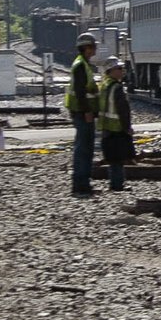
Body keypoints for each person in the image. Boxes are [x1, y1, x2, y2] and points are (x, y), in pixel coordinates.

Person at [67, 32, 103, 199]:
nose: (95, 48)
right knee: (83, 150)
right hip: (82, 113)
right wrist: (87, 111)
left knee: (86, 149)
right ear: (87, 48)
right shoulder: (80, 66)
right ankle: (80, 185)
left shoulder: (84, 64)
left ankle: (84, 183)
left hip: (83, 113)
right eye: (93, 46)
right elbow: (81, 92)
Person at [100, 59, 134, 194]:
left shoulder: (105, 85)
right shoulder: (117, 88)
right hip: (117, 127)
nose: (122, 71)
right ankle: (117, 185)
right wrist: (127, 127)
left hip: (106, 127)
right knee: (118, 158)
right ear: (111, 71)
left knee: (112, 158)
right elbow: (122, 110)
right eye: (119, 69)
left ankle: (114, 183)